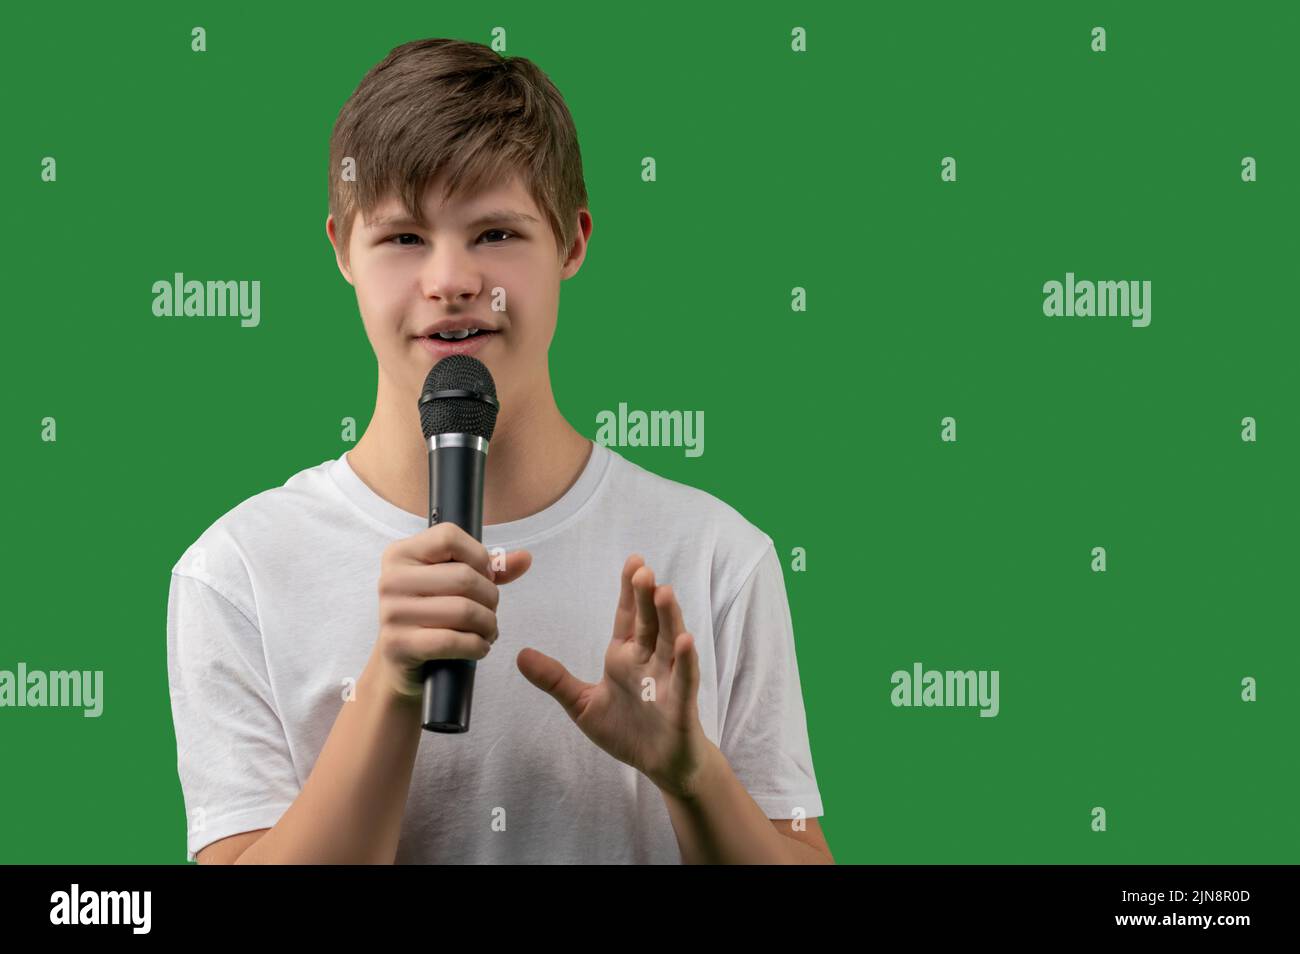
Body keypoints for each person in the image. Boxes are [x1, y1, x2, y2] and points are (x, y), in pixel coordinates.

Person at [165, 37, 830, 864]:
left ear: (572, 242)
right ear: (341, 248)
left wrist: (692, 775)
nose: (450, 279)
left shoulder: (715, 556)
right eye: (404, 238)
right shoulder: (239, 571)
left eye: (496, 233)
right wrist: (390, 684)